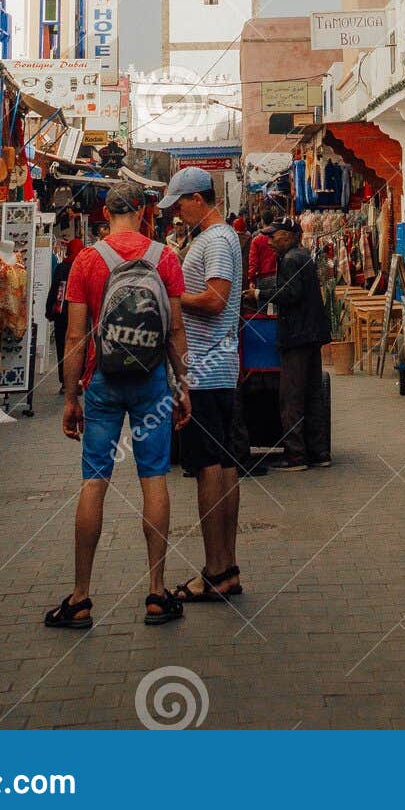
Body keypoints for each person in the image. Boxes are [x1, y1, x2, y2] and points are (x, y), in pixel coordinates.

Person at [45, 187, 191, 631]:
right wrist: (182, 385)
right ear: (146, 212)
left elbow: (74, 336)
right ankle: (156, 593)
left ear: (105, 214)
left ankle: (81, 597)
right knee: (154, 479)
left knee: (94, 481)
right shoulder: (165, 257)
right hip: (150, 382)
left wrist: (72, 397)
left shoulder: (86, 260)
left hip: (102, 382)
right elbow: (176, 328)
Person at [160, 166, 244, 604]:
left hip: (206, 373)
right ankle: (225, 568)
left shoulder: (216, 239)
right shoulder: (214, 239)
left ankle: (215, 570)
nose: (177, 212)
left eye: (179, 203)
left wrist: (169, 295)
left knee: (209, 467)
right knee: (223, 465)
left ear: (197, 198)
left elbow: (215, 299)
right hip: (215, 369)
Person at [271, 220, 331, 471]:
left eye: (275, 237)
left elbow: (290, 294)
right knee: (312, 394)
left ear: (287, 236)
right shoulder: (302, 255)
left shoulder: (290, 259)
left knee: (292, 397)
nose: (271, 241)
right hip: (311, 335)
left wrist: (260, 295)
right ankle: (319, 452)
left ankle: (295, 455)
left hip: (297, 336)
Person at [45, 237, 82, 394]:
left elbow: (54, 290)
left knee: (62, 348)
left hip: (62, 314)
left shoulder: (61, 267)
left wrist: (49, 310)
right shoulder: (83, 266)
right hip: (80, 314)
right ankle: (78, 380)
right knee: (80, 347)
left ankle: (65, 382)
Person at [247, 208, 278, 305]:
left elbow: (253, 262)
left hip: (263, 279)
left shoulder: (257, 240)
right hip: (278, 276)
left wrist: (251, 279)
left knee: (263, 312)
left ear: (262, 221)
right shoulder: (278, 237)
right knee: (277, 309)